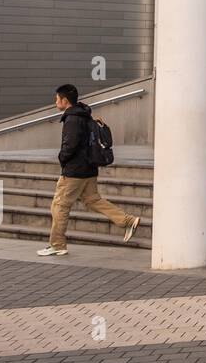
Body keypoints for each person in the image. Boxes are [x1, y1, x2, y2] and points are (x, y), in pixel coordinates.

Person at [37, 84, 141, 255]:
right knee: (94, 200)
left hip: (74, 171)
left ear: (65, 100)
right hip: (89, 169)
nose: (55, 102)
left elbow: (69, 146)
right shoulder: (85, 115)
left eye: (57, 99)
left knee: (59, 205)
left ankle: (57, 245)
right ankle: (128, 221)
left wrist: (62, 159)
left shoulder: (72, 118)